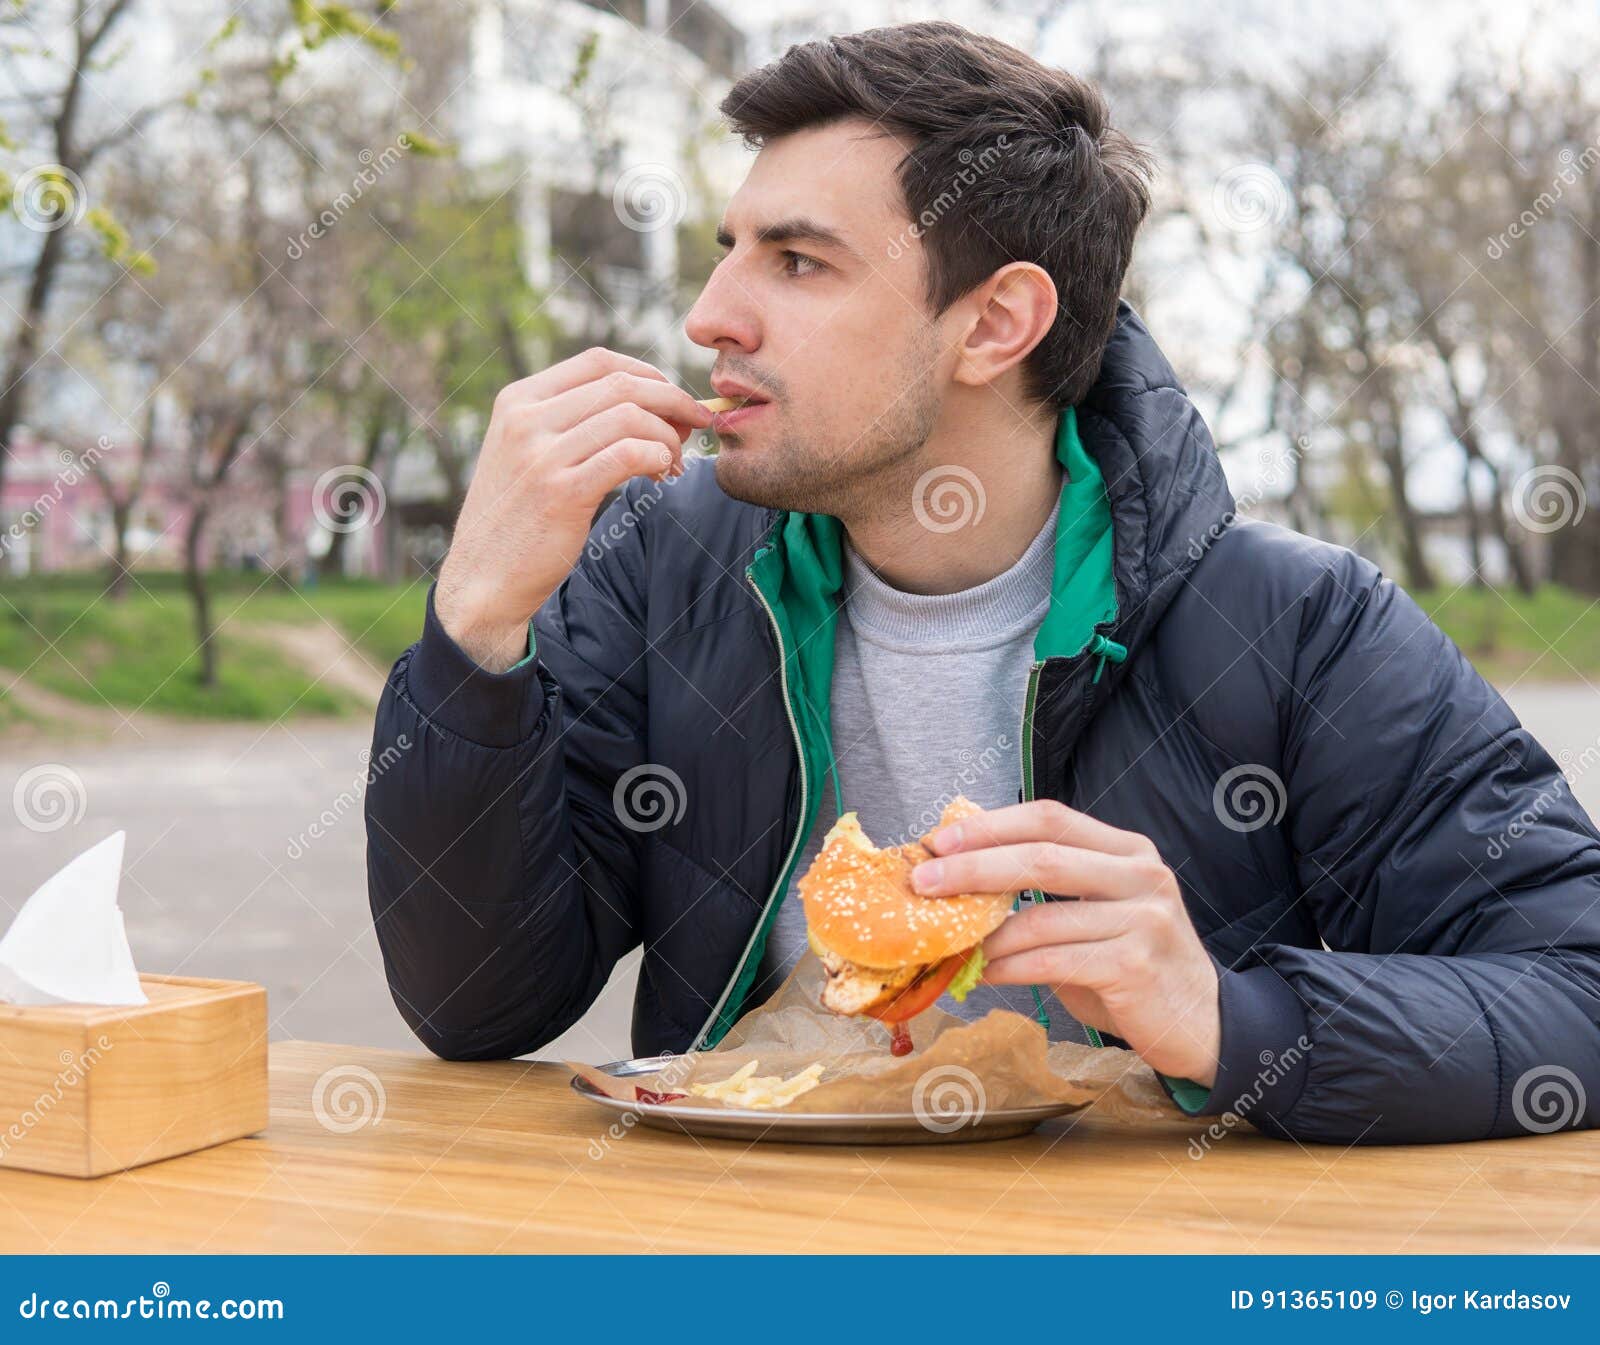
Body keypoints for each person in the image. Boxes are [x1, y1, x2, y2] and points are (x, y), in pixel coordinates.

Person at [364, 21, 1600, 1144]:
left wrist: (1232, 1018)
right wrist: (474, 632)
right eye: (726, 250)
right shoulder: (657, 574)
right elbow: (481, 1006)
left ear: (997, 322)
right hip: (733, 1254)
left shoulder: (1292, 625)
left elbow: (1578, 987)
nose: (709, 315)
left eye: (796, 263)